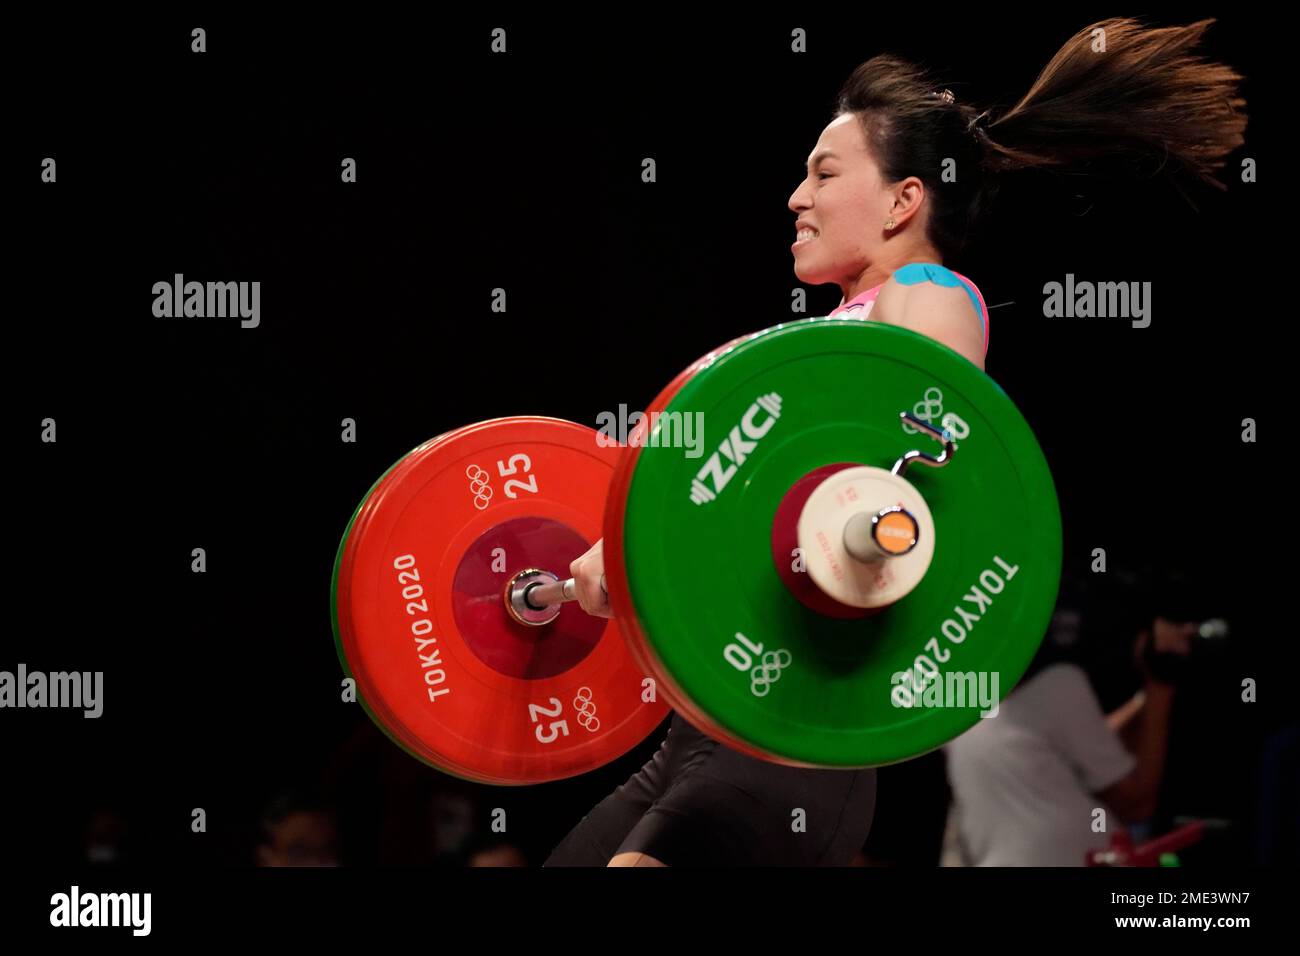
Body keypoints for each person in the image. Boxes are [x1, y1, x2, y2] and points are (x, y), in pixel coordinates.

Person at [548, 16, 1246, 867]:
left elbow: (913, 445)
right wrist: (619, 557)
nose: (796, 196)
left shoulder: (928, 290)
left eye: (823, 173)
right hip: (703, 732)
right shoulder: (821, 345)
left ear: (903, 200)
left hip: (802, 741)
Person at [943, 607, 1195, 866]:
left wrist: (1141, 701)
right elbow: (1137, 804)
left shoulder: (952, 716)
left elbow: (1076, 739)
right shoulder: (1059, 685)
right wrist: (1161, 680)